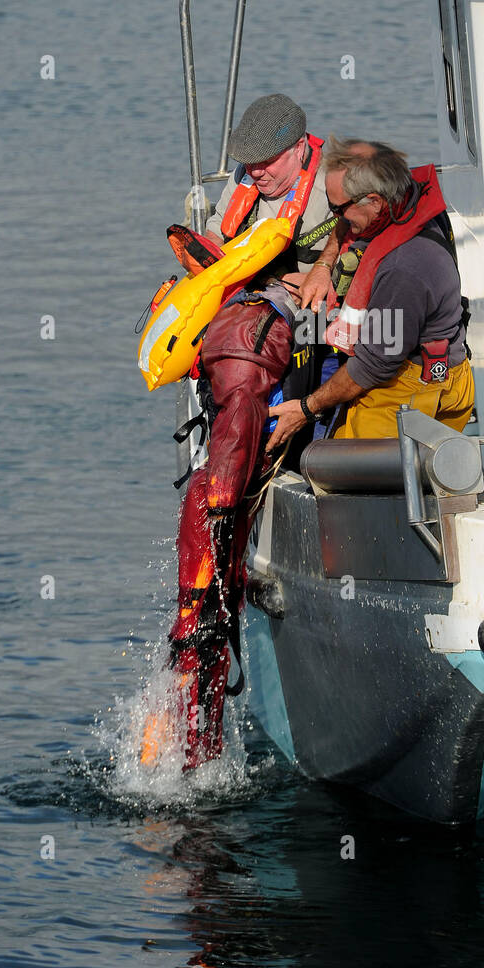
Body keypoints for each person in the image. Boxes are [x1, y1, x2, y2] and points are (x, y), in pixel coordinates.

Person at [146, 95, 339, 771]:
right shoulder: (247, 187)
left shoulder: (333, 186)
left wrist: (313, 278)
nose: (253, 178)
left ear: (297, 150)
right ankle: (192, 662)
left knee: (243, 344)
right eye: (246, 169)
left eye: (264, 168)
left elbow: (354, 268)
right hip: (251, 320)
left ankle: (229, 501)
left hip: (311, 324)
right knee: (231, 346)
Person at [267, 137, 474, 450]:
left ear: (374, 201)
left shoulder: (404, 269)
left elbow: (369, 367)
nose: (335, 217)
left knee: (337, 473)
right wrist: (323, 265)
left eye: (337, 208)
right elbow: (345, 226)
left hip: (414, 387)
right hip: (419, 358)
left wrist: (305, 408)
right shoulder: (407, 196)